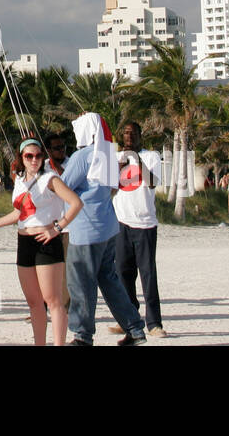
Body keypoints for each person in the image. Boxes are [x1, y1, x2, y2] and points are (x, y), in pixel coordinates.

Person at [0, 138, 82, 345]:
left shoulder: (50, 178)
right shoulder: (20, 179)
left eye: (38, 155)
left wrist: (57, 228)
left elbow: (76, 203)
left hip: (47, 241)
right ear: (21, 158)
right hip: (24, 242)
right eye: (29, 156)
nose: (34, 160)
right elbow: (18, 213)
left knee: (53, 300)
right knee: (34, 302)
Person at [61, 112, 147, 346]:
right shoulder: (108, 153)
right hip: (108, 227)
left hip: (86, 229)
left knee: (81, 283)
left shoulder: (82, 156)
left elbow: (62, 185)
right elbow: (112, 187)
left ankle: (82, 335)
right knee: (109, 281)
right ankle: (134, 328)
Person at [110, 121, 165, 338]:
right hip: (121, 222)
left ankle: (154, 323)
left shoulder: (151, 156)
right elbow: (110, 188)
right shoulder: (115, 157)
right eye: (125, 133)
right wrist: (120, 165)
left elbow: (152, 182)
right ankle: (129, 319)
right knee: (123, 273)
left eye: (133, 133)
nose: (129, 136)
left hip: (145, 224)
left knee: (148, 274)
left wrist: (136, 159)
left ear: (140, 135)